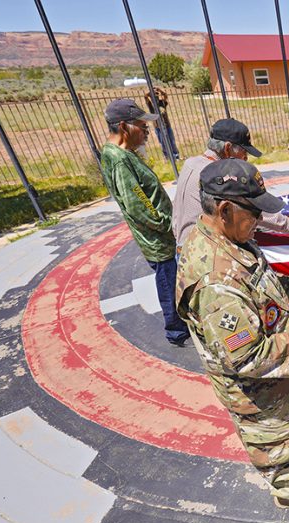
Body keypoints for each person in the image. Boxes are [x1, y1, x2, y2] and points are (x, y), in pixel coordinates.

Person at [176, 158, 289, 507]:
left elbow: (259, 283)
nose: (259, 222)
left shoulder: (230, 239)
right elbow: (248, 356)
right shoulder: (215, 282)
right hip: (256, 386)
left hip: (276, 377)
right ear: (224, 210)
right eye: (253, 213)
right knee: (273, 434)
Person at [100, 98, 190, 346]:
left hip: (159, 235)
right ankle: (175, 329)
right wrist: (165, 223)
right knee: (167, 280)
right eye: (143, 127)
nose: (148, 133)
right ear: (124, 126)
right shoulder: (119, 159)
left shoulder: (123, 154)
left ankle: (179, 322)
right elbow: (137, 203)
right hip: (156, 239)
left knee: (170, 278)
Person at [172, 118, 289, 249]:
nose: (245, 158)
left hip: (185, 249)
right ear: (228, 148)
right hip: (205, 253)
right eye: (244, 152)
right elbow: (264, 216)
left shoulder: (190, 164)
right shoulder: (223, 179)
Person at [144, 87, 180, 160]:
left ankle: (176, 156)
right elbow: (145, 97)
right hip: (158, 127)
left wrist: (159, 90)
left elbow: (165, 96)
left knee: (172, 141)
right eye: (154, 95)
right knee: (163, 143)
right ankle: (167, 157)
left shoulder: (162, 103)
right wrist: (150, 92)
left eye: (157, 94)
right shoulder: (151, 105)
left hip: (167, 125)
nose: (156, 96)